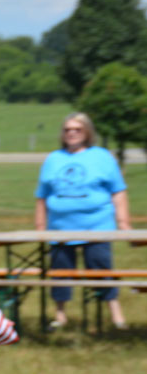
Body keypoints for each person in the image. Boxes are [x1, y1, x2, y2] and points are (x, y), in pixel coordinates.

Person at [34, 113, 131, 330]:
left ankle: (116, 316)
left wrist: (124, 223)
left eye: (77, 129)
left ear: (87, 132)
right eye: (68, 129)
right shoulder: (53, 159)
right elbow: (42, 195)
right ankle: (60, 316)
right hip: (59, 229)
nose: (71, 134)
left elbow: (118, 192)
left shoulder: (102, 157)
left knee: (101, 270)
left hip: (97, 227)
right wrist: (40, 228)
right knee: (60, 273)